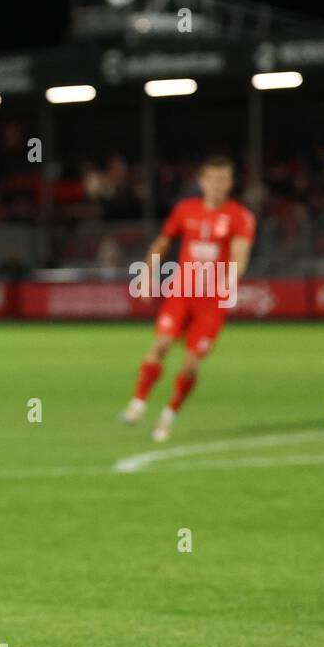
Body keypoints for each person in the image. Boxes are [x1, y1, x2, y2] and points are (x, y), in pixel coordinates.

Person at [120, 156, 255, 442]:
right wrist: (147, 273)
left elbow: (240, 254)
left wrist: (232, 278)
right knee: (160, 345)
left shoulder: (240, 216)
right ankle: (137, 405)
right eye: (213, 179)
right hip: (182, 294)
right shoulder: (185, 210)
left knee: (191, 364)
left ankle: (168, 418)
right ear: (202, 182)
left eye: (223, 180)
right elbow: (162, 242)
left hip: (211, 302)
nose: (218, 185)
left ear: (230, 183)